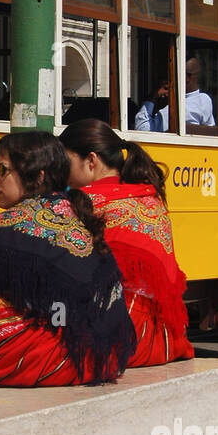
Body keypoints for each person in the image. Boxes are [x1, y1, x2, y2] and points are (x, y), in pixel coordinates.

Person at [0, 131, 136, 387]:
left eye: (2, 170)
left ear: (37, 176)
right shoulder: (77, 215)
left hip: (38, 360)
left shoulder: (0, 229)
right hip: (96, 359)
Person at [60, 118, 194, 366]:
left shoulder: (85, 202)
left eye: (66, 163)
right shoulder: (148, 195)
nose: (62, 172)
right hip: (163, 336)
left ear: (91, 160)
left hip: (122, 335)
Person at [134, 57, 215, 131]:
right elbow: (210, 129)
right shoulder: (205, 100)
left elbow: (141, 129)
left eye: (171, 75)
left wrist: (153, 96)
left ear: (186, 78)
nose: (168, 79)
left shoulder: (175, 109)